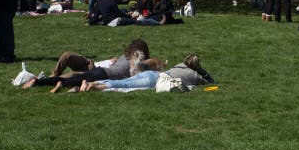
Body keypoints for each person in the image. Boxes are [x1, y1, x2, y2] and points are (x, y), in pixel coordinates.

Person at [23, 39, 151, 92]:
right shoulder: (138, 60)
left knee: (73, 79)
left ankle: (41, 82)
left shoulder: (125, 56)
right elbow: (136, 76)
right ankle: (39, 82)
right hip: (102, 74)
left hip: (102, 71)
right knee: (71, 79)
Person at [83, 54, 214, 91]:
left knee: (123, 82)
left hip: (152, 74)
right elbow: (210, 82)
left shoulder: (179, 66)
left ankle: (94, 83)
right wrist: (202, 70)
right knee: (125, 85)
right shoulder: (194, 75)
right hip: (155, 80)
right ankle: (96, 86)